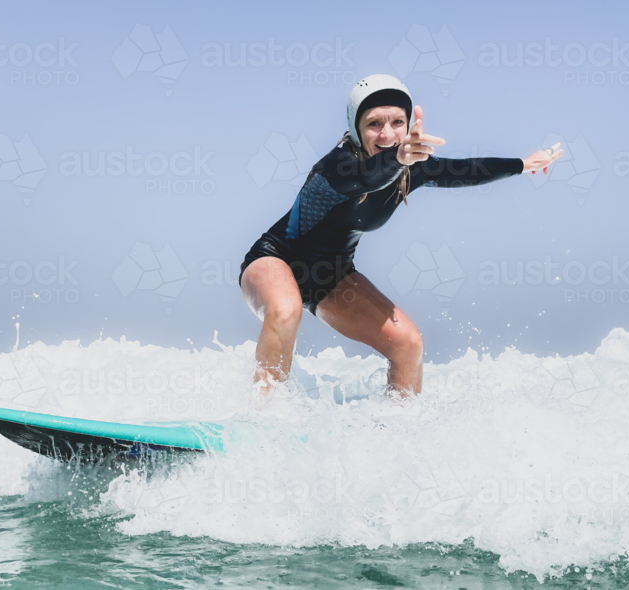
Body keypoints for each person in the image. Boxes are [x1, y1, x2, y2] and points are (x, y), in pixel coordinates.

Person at [238, 74, 563, 399]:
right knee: (286, 310)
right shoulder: (338, 165)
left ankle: (399, 423)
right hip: (276, 259)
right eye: (374, 124)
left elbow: (467, 169)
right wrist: (398, 158)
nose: (387, 134)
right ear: (356, 129)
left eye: (397, 122)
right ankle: (262, 414)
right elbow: (368, 177)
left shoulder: (413, 168)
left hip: (333, 279)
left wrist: (522, 164)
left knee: (408, 344)